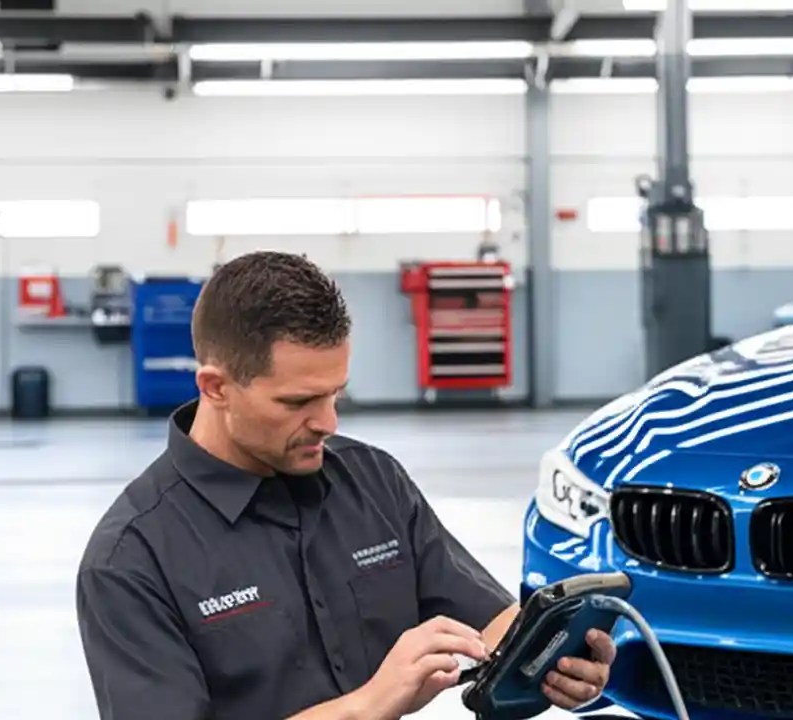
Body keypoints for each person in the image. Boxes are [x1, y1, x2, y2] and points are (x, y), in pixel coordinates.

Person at [75, 251, 616, 719]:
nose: (328, 423)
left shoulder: (373, 482)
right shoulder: (132, 562)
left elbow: (488, 619)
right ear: (216, 388)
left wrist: (549, 658)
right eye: (297, 402)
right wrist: (370, 704)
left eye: (336, 394)